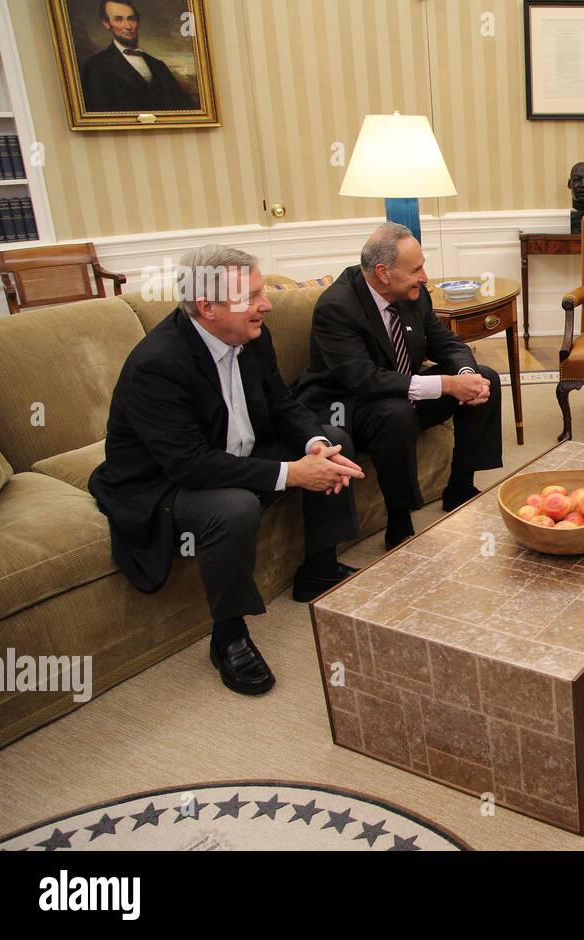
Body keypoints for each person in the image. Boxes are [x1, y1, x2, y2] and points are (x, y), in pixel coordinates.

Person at [90, 245, 365, 696]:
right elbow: (190, 464)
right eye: (252, 296)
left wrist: (314, 446)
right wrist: (291, 474)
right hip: (164, 483)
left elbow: (282, 404)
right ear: (207, 307)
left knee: (334, 442)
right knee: (234, 507)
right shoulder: (157, 364)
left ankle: (318, 567)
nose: (267, 304)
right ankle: (229, 636)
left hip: (231, 453)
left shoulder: (254, 335)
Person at [295, 222, 503, 549]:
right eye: (416, 269)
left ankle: (461, 487)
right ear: (383, 272)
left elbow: (447, 343)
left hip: (401, 392)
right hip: (346, 405)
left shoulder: (411, 295)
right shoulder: (337, 307)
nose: (424, 276)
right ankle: (399, 518)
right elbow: (364, 379)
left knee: (485, 378)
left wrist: (463, 376)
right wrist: (443, 385)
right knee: (395, 412)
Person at [80, 0, 195, 113]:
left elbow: (185, 108)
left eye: (131, 19)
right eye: (119, 19)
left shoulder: (158, 66)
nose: (128, 26)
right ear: (106, 24)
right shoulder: (95, 67)